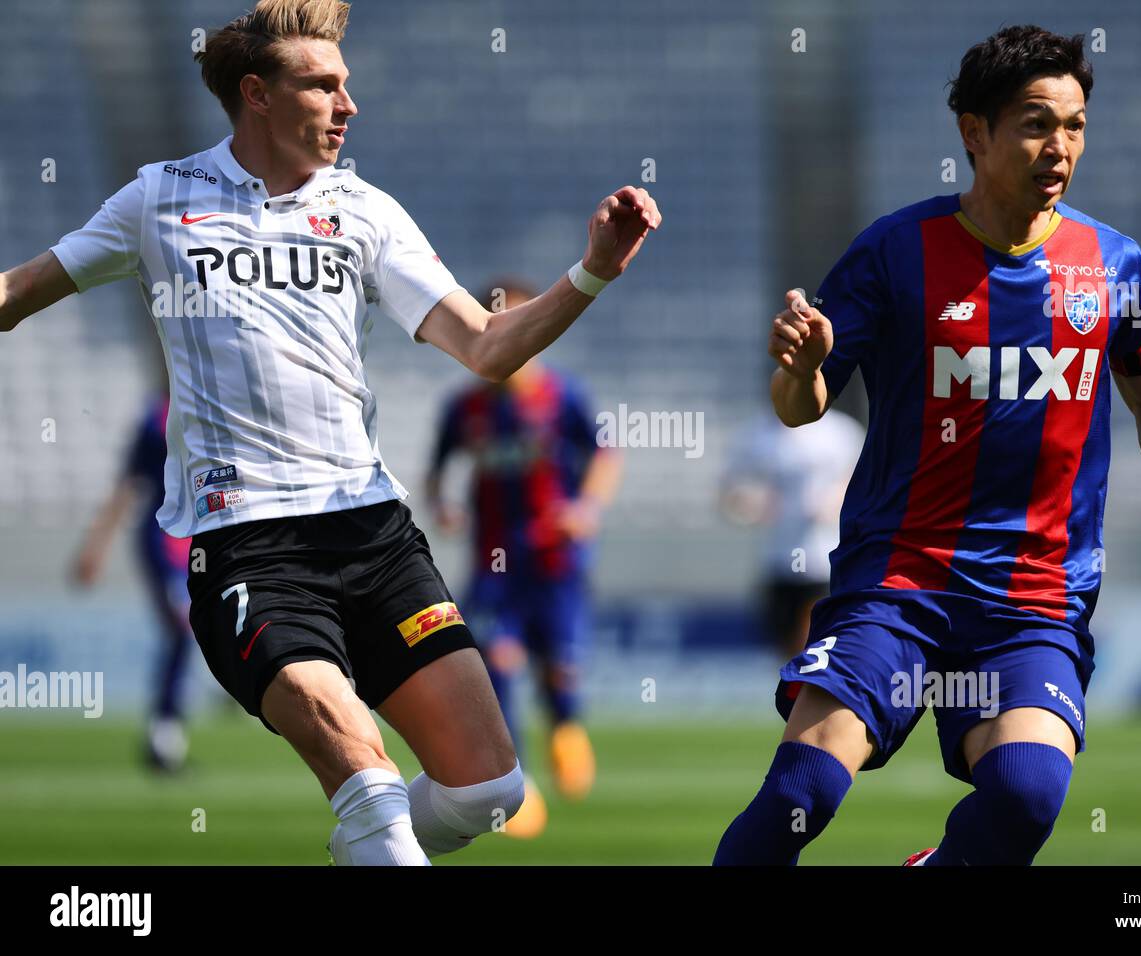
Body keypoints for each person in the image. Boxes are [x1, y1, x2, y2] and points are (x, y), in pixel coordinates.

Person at [0, 0, 659, 866]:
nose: (348, 104)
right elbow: (16, 295)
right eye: (322, 85)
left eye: (347, 84)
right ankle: (374, 836)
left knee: (489, 792)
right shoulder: (161, 198)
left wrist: (593, 273)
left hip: (375, 533)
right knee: (374, 790)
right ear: (257, 95)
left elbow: (489, 345)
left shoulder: (365, 211)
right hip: (250, 545)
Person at [714, 24, 1141, 866]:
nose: (1058, 146)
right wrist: (803, 368)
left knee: (1028, 793)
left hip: (1035, 595)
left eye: (1073, 127)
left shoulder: (1114, 265)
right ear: (974, 132)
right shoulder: (894, 251)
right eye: (1035, 123)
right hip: (899, 581)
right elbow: (798, 409)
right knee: (799, 797)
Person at [428, 280, 622, 837]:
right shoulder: (465, 408)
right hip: (494, 563)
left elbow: (605, 454)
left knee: (559, 665)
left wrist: (585, 507)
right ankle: (517, 781)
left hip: (555, 560)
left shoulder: (563, 397)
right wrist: (443, 504)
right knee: (499, 663)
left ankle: (566, 726)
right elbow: (439, 467)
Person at [72, 385, 195, 772]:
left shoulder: (209, 409)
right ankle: (164, 733)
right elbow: (128, 486)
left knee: (190, 631)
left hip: (201, 537)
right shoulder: (156, 419)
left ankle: (168, 728)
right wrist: (95, 546)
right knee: (181, 627)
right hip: (164, 540)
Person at [720, 408, 864, 660]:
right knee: (786, 653)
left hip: (824, 561)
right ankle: (795, 697)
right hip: (777, 561)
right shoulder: (755, 435)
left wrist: (836, 501)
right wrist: (752, 503)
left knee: (812, 645)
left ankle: (810, 694)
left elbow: (863, 483)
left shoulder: (840, 432)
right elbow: (730, 494)